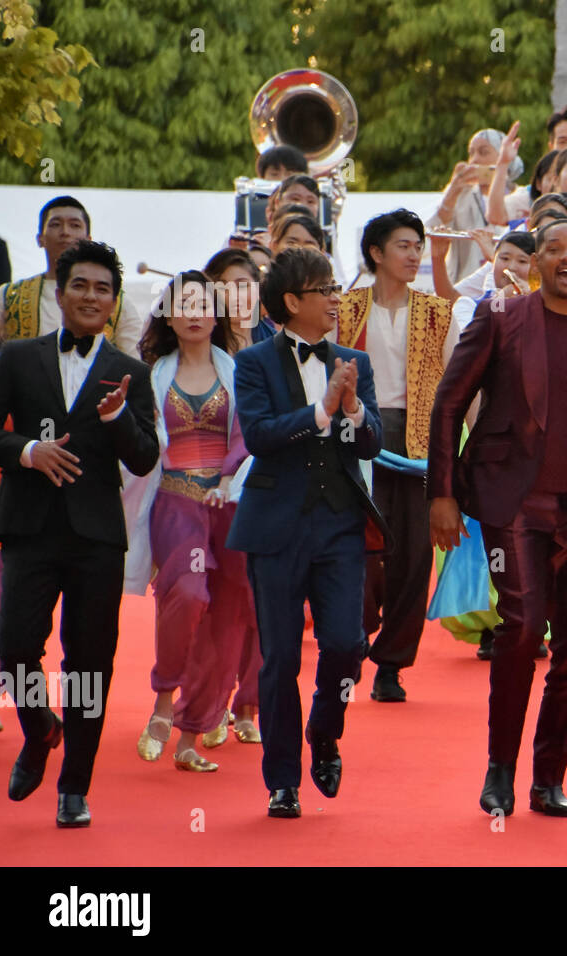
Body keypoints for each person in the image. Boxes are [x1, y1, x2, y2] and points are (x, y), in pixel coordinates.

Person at [428, 219, 567, 818]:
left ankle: (548, 777)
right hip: (512, 502)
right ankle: (500, 768)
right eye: (554, 249)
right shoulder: (499, 320)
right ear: (535, 263)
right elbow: (448, 403)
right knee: (521, 628)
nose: (566, 258)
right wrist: (440, 494)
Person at [0, 239, 160, 827]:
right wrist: (27, 451)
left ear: (114, 303)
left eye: (103, 289)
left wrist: (117, 418)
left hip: (95, 536)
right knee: (14, 647)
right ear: (59, 293)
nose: (92, 297)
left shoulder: (130, 374)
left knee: (89, 664)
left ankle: (75, 787)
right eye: (80, 286)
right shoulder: (16, 357)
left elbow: (144, 460)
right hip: (28, 529)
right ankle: (40, 727)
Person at [226, 247, 387, 819]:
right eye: (325, 290)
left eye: (337, 287)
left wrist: (353, 413)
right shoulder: (254, 363)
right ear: (292, 302)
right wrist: (320, 409)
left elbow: (371, 444)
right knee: (280, 659)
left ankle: (325, 727)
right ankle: (282, 780)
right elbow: (261, 436)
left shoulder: (352, 360)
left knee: (347, 643)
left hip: (340, 525)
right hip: (275, 527)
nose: (336, 298)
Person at [125, 271, 256, 771]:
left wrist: (227, 478)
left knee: (227, 616)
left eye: (205, 304)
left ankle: (190, 732)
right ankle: (163, 696)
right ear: (168, 314)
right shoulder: (150, 374)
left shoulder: (238, 371)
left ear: (217, 314)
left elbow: (247, 436)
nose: (196, 312)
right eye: (185, 304)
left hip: (230, 502)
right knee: (189, 593)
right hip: (175, 502)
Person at [336, 211, 458, 702]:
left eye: (417, 246)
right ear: (376, 253)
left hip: (419, 439)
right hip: (355, 434)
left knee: (413, 554)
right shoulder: (342, 310)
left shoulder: (438, 312)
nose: (413, 255)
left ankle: (391, 663)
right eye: (404, 246)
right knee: (357, 546)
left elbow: (455, 388)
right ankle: (360, 625)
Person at [0, 196, 144, 357]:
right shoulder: (9, 295)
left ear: (88, 239)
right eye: (55, 224)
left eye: (74, 225)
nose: (65, 232)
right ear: (40, 238)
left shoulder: (116, 301)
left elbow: (135, 364)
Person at [430, 128, 522, 283]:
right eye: (471, 153)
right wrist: (453, 190)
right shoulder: (460, 194)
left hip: (508, 286)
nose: (474, 160)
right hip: (463, 286)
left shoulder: (519, 197)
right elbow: (431, 232)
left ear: (504, 157)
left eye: (483, 152)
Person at [204, 248, 273, 347]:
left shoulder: (276, 344)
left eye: (242, 286)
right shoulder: (196, 342)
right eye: (222, 287)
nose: (233, 296)